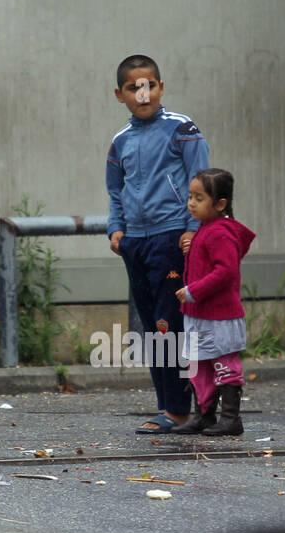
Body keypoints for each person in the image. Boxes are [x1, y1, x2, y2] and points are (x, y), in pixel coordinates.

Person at [106, 54, 210, 433]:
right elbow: (115, 191)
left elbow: (202, 181)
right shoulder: (120, 141)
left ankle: (181, 409)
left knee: (172, 325)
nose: (143, 93)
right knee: (151, 327)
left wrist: (192, 228)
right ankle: (168, 406)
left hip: (172, 239)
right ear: (120, 94)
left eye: (149, 85)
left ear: (161, 87)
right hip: (135, 242)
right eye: (134, 87)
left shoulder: (182, 129)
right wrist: (116, 229)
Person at [172, 169, 255, 436]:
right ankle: (204, 416)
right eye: (190, 196)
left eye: (199, 198)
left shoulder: (221, 232)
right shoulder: (205, 230)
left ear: (220, 204)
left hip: (219, 315)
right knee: (200, 365)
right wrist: (191, 245)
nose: (191, 203)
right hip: (198, 314)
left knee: (224, 365)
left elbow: (226, 271)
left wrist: (193, 290)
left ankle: (231, 419)